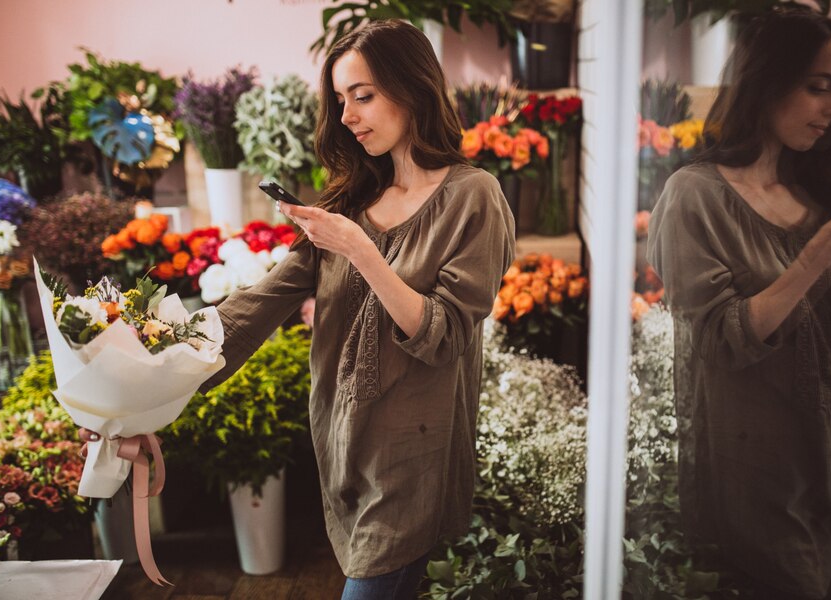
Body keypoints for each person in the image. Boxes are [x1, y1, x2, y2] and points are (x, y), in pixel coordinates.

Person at [85, 19, 515, 600]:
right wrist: (142, 371)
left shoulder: (472, 197)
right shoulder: (351, 200)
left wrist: (360, 250)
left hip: (414, 459)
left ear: (413, 88)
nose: (347, 116)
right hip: (344, 446)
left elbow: (442, 334)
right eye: (340, 100)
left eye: (362, 96)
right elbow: (259, 305)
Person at [647, 8, 831, 600]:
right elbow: (720, 337)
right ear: (768, 81)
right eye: (819, 87)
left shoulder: (827, 197)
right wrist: (820, 254)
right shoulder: (695, 196)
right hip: (752, 483)